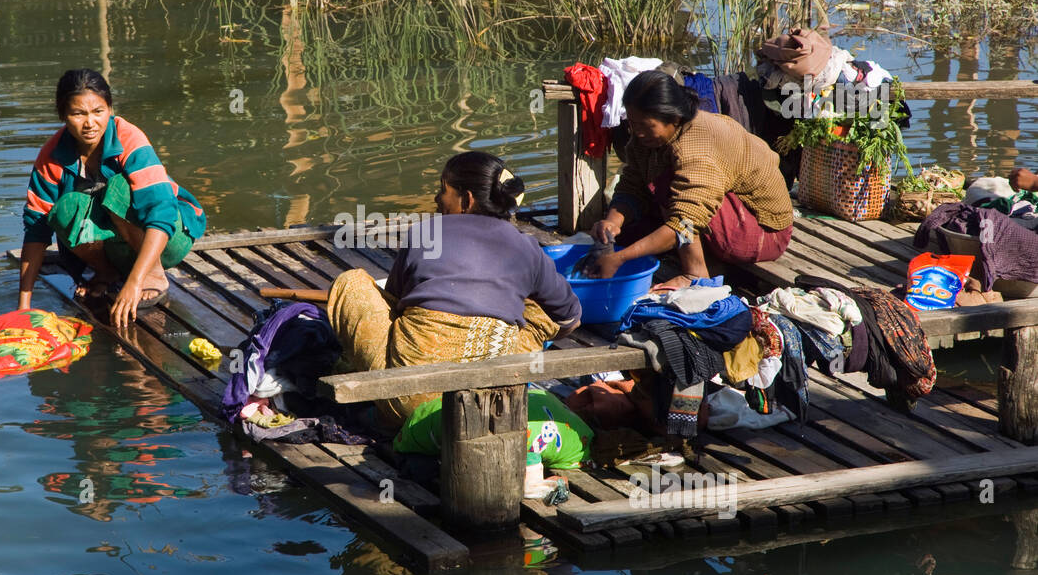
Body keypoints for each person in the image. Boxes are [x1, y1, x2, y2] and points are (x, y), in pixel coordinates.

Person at [326, 151, 582, 430]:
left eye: (443, 190)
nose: (437, 198)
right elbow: (570, 318)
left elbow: (393, 306)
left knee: (351, 282)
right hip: (494, 402)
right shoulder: (528, 248)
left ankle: (386, 411)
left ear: (467, 199)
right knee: (537, 305)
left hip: (410, 402)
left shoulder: (427, 232)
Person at [15, 69, 206, 328]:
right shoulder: (52, 155)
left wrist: (135, 283)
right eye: (78, 114)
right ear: (63, 115)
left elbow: (161, 214)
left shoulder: (129, 138)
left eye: (98, 111)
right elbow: (36, 229)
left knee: (119, 187)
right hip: (113, 247)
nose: (90, 123)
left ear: (110, 109)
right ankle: (107, 271)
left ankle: (153, 275)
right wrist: (23, 308)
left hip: (168, 238)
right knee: (63, 209)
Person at [589, 70, 793, 286]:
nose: (637, 133)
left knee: (670, 189)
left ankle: (694, 272)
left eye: (646, 126)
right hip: (726, 217)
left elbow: (684, 223)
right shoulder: (647, 140)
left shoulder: (695, 149)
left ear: (674, 118)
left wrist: (619, 258)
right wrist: (612, 222)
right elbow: (632, 186)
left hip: (765, 232)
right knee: (634, 227)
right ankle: (710, 261)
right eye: (633, 124)